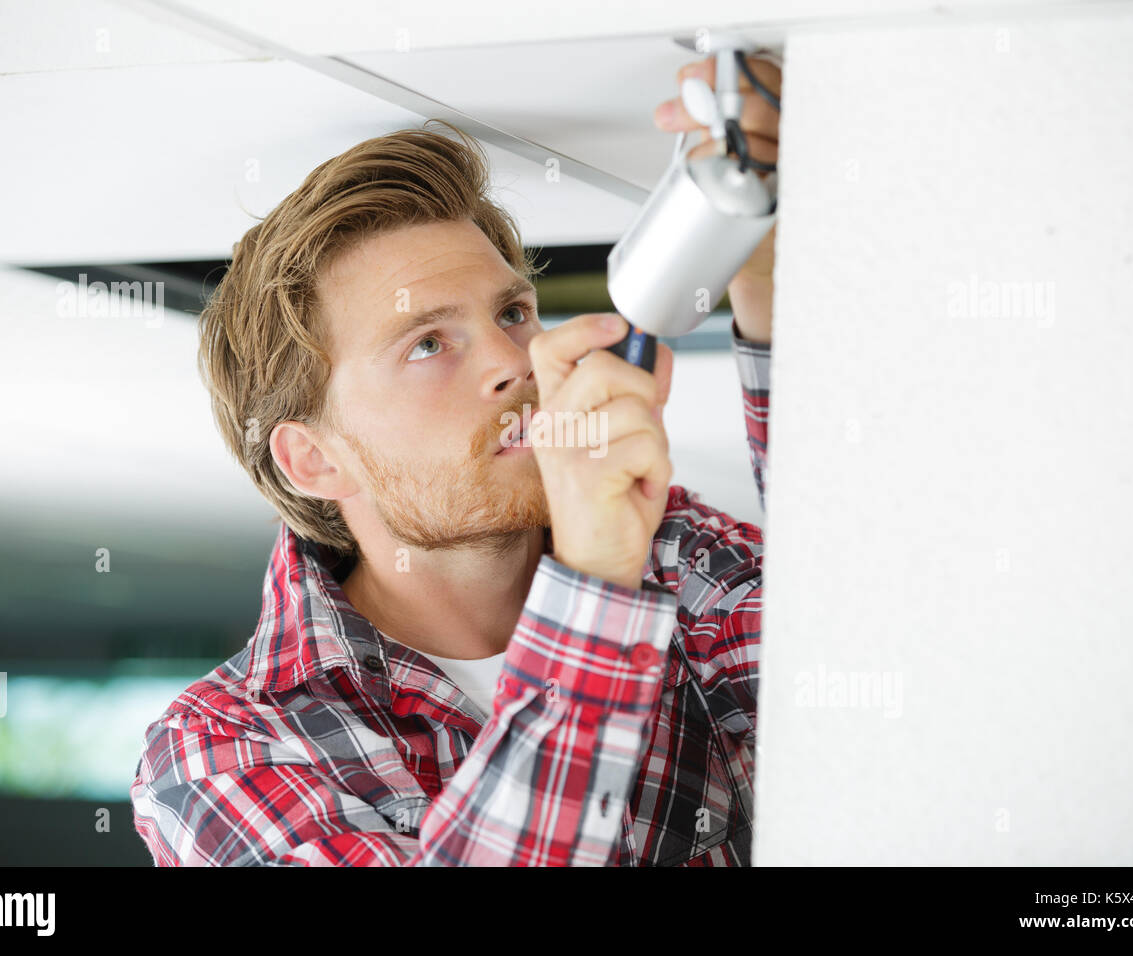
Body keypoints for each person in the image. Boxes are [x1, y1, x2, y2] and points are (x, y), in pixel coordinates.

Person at [131, 54, 780, 865]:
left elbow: (884, 636)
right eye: (428, 343)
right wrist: (594, 586)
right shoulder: (222, 750)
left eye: (512, 313)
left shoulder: (681, 559)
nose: (514, 362)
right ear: (315, 459)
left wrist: (775, 272)